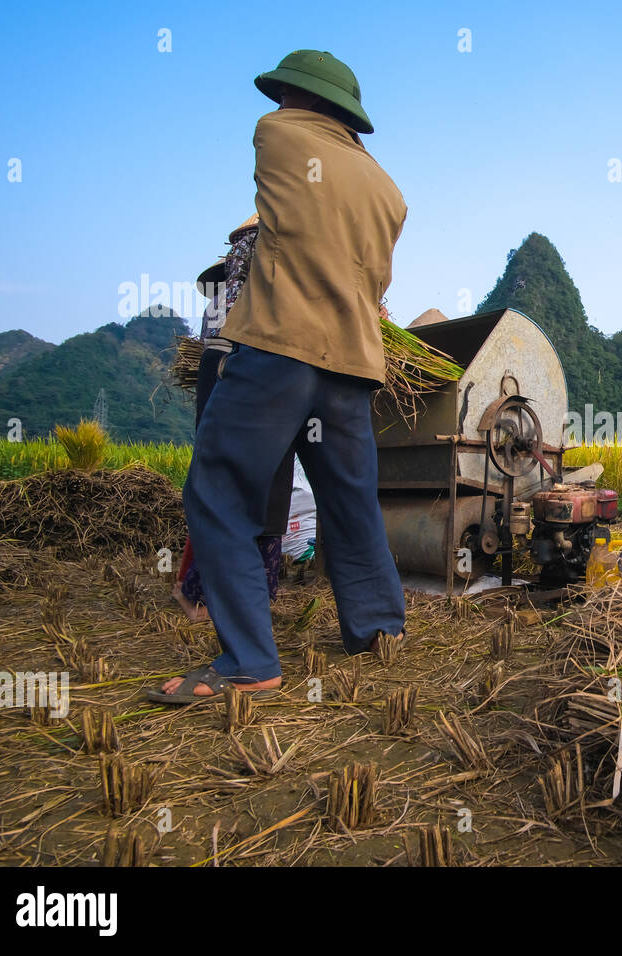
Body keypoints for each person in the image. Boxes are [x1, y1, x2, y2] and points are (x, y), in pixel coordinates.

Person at [147, 49, 407, 704]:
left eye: (285, 93)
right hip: (352, 364)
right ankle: (378, 628)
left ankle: (248, 661)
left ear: (302, 99)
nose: (276, 105)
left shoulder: (279, 135)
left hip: (279, 350)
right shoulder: (388, 191)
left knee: (218, 494)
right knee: (350, 500)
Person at [171, 215, 295, 622]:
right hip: (239, 366)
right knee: (229, 479)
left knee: (257, 480)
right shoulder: (246, 285)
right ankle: (208, 593)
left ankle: (224, 592)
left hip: (265, 368)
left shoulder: (275, 277)